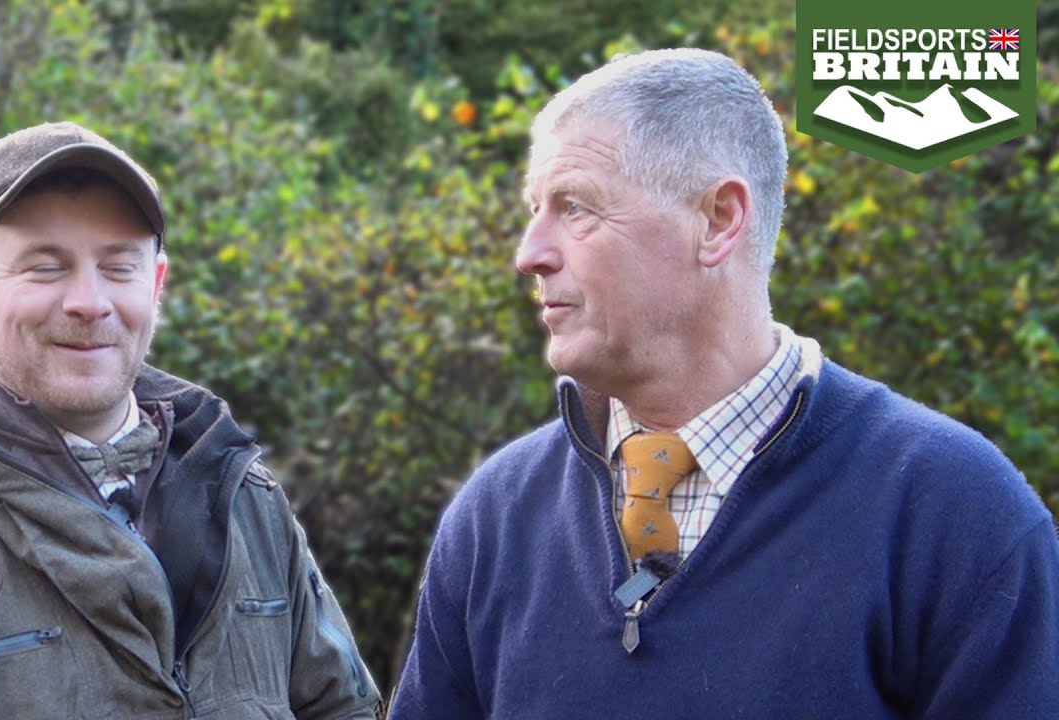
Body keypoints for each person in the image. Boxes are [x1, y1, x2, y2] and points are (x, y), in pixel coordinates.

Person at [389, 49, 1059, 719]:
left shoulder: (955, 512)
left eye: (575, 207)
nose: (530, 252)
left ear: (717, 221)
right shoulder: (495, 516)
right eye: (536, 208)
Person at [0, 121, 381, 719]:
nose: (88, 302)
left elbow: (343, 709)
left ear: (157, 285)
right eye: (46, 266)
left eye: (119, 266)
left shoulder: (247, 498)